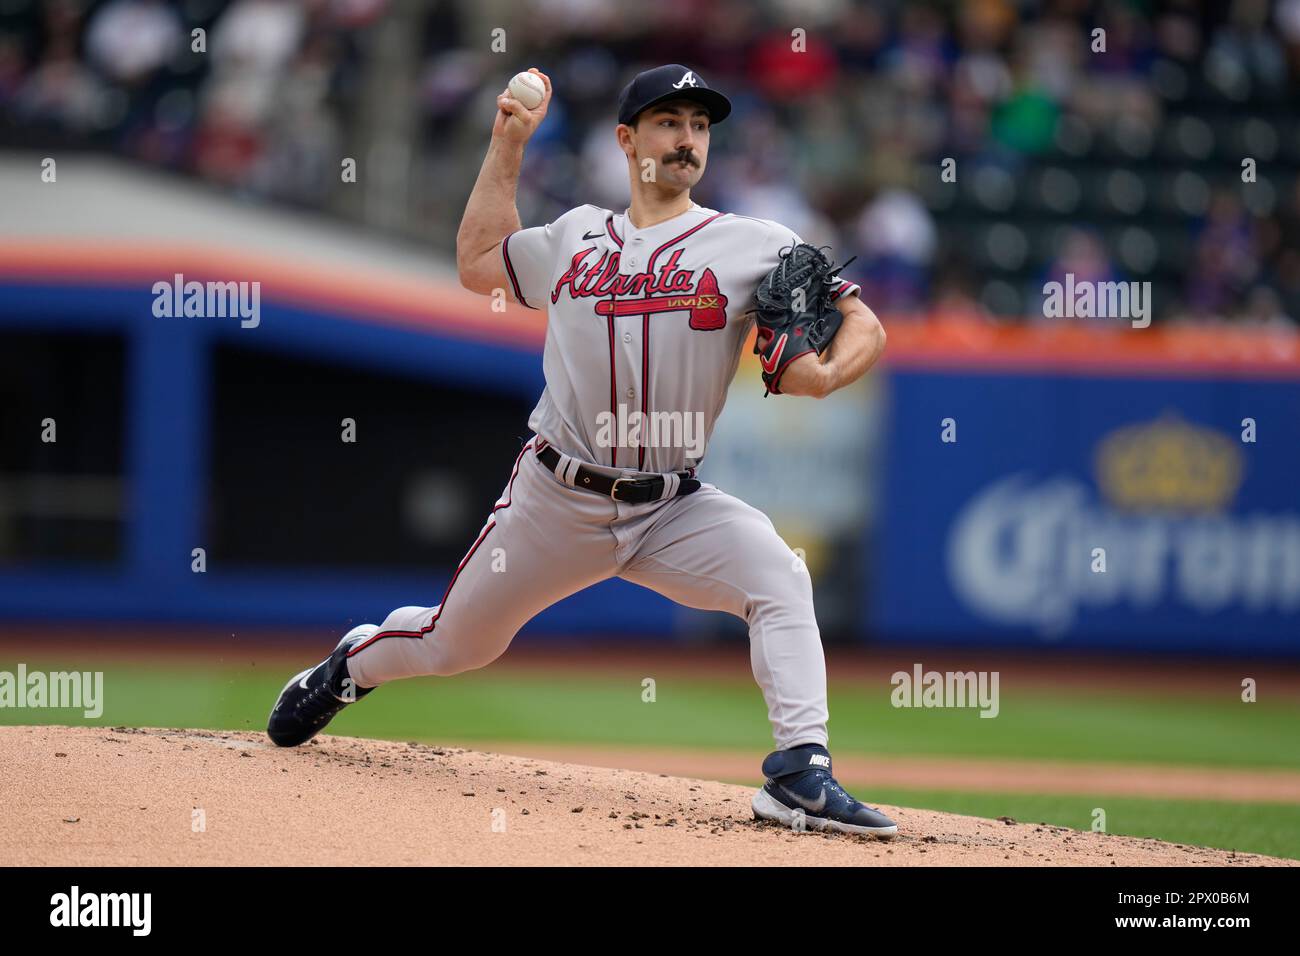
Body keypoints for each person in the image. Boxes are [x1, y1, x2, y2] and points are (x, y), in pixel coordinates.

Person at [268, 64, 895, 838]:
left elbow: (865, 323)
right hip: (555, 497)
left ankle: (800, 772)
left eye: (700, 125)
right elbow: (477, 262)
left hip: (670, 504)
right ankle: (347, 668)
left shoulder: (755, 244)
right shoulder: (575, 235)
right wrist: (508, 143)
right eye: (669, 122)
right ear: (627, 140)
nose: (688, 139)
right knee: (451, 644)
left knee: (778, 575)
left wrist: (829, 372)